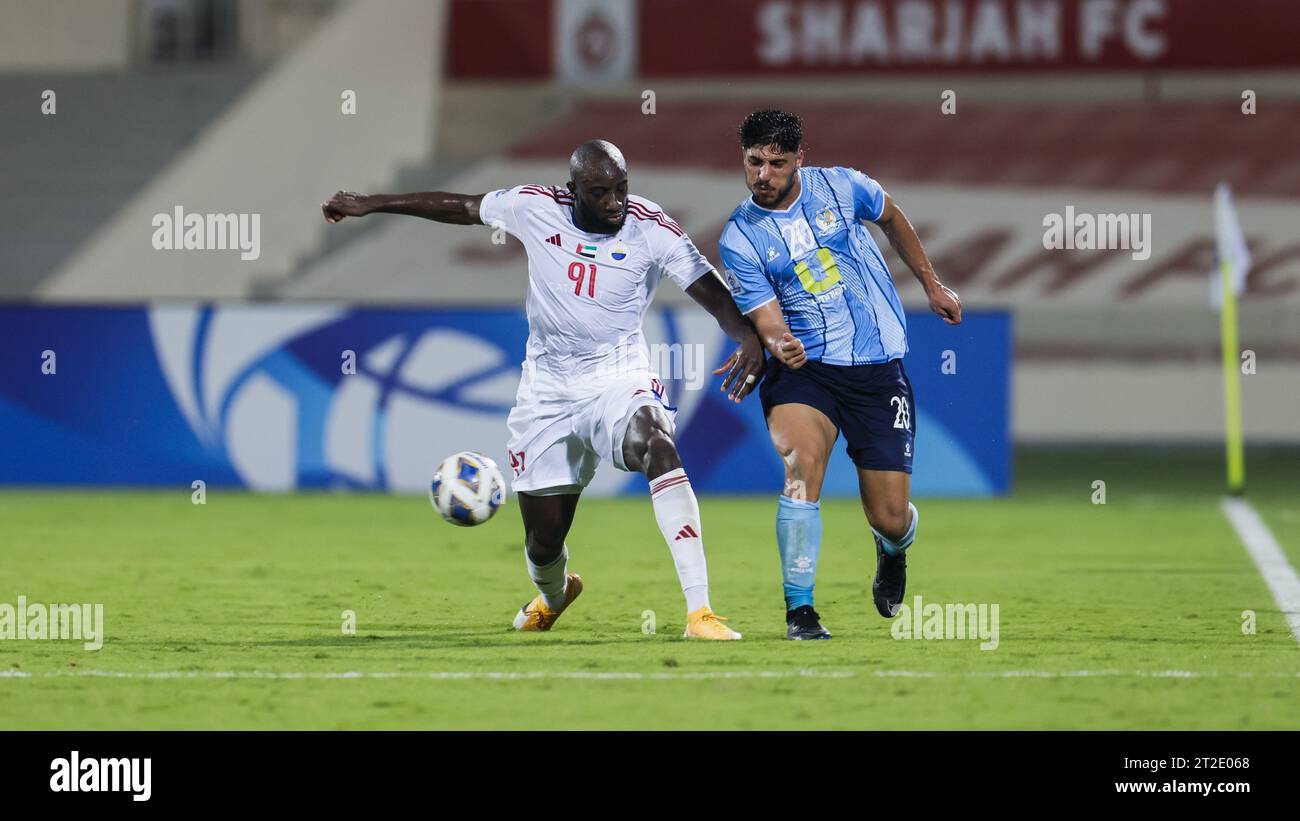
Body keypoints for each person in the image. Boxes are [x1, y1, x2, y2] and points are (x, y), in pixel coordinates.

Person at [323, 139, 763, 639]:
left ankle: (699, 613)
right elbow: (461, 207)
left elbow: (710, 291)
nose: (616, 202)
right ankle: (555, 596)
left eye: (622, 188)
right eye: (600, 193)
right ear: (573, 191)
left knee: (658, 447)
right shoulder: (534, 207)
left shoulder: (651, 227)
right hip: (547, 393)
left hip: (619, 379)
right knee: (543, 541)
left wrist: (747, 335)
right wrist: (373, 204)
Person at [717, 111, 963, 640]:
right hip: (807, 372)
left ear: (799, 159)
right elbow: (767, 319)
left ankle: (893, 549)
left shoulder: (844, 186)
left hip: (878, 370)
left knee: (891, 517)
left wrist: (932, 284)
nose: (763, 174)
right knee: (801, 467)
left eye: (776, 164)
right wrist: (779, 343)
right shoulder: (740, 237)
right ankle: (800, 612)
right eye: (753, 162)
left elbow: (893, 217)